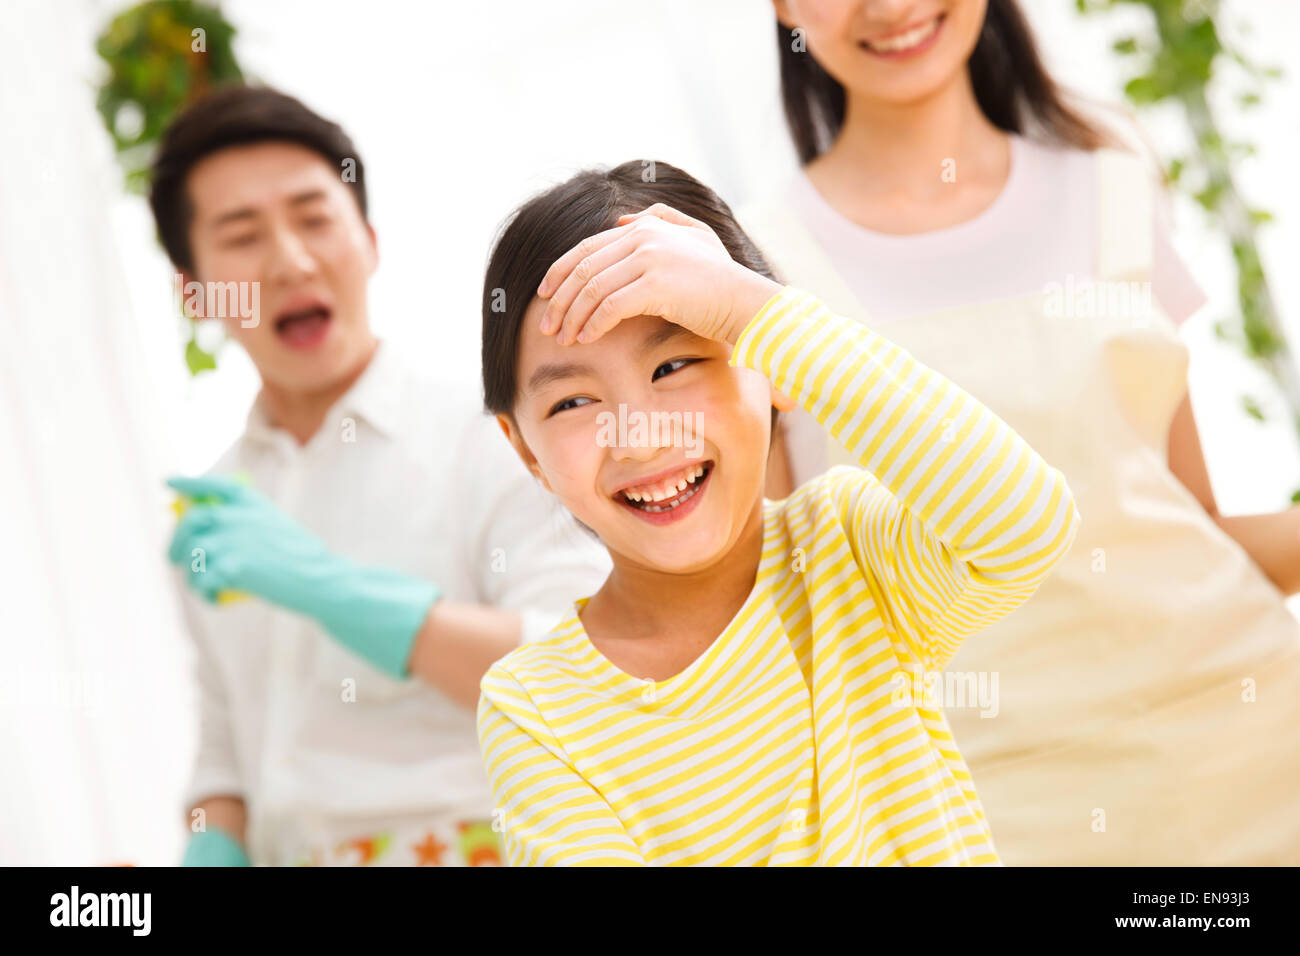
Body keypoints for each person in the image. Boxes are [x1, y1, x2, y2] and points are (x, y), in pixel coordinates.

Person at [736, 0, 1300, 863]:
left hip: (1254, 750)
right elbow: (785, 626)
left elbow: (1194, 527)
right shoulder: (752, 270)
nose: (889, 9)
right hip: (983, 811)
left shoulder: (1110, 178)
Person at [474, 160, 1080, 865]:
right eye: (572, 402)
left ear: (774, 366)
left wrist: (753, 312)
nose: (639, 435)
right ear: (526, 453)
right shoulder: (537, 710)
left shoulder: (846, 549)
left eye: (674, 367)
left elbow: (1025, 525)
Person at [154, 85, 611, 866]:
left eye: (314, 218)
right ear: (194, 293)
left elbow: (579, 673)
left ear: (368, 241)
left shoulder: (497, 438)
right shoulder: (217, 510)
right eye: (241, 234)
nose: (291, 261)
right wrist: (212, 841)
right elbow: (227, 749)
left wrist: (345, 595)